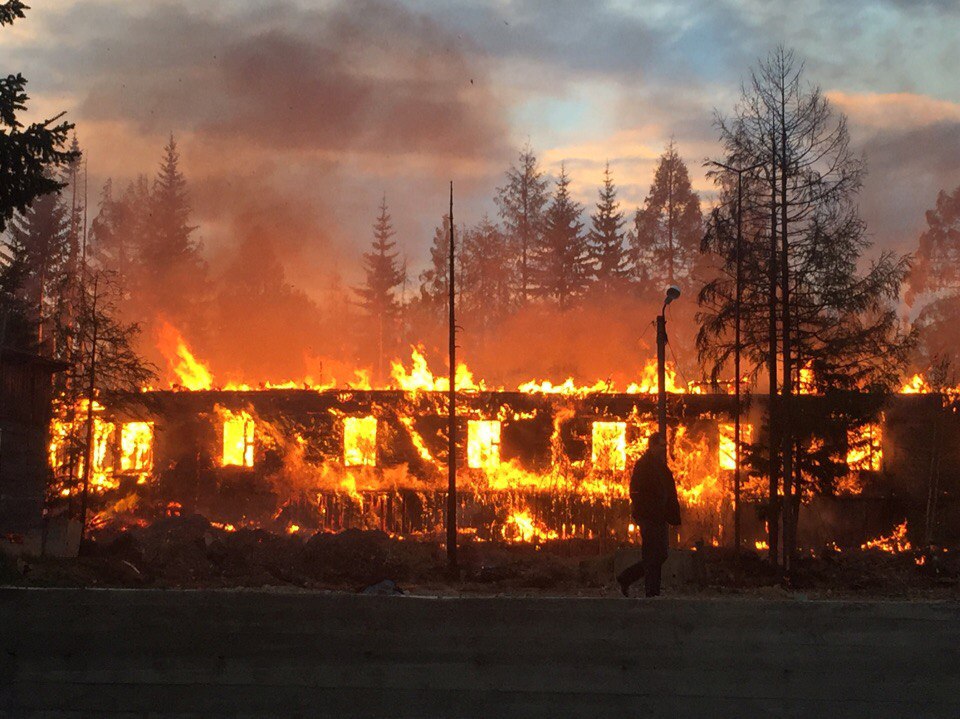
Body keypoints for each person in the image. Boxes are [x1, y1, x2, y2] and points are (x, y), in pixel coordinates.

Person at [617, 432, 681, 597]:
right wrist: (644, 511)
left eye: (665, 446)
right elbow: (636, 491)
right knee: (653, 554)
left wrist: (670, 511)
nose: (664, 449)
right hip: (648, 516)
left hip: (660, 515)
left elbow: (667, 490)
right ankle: (651, 592)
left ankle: (628, 578)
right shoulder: (643, 465)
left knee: (660, 554)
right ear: (652, 446)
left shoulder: (660, 465)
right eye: (661, 446)